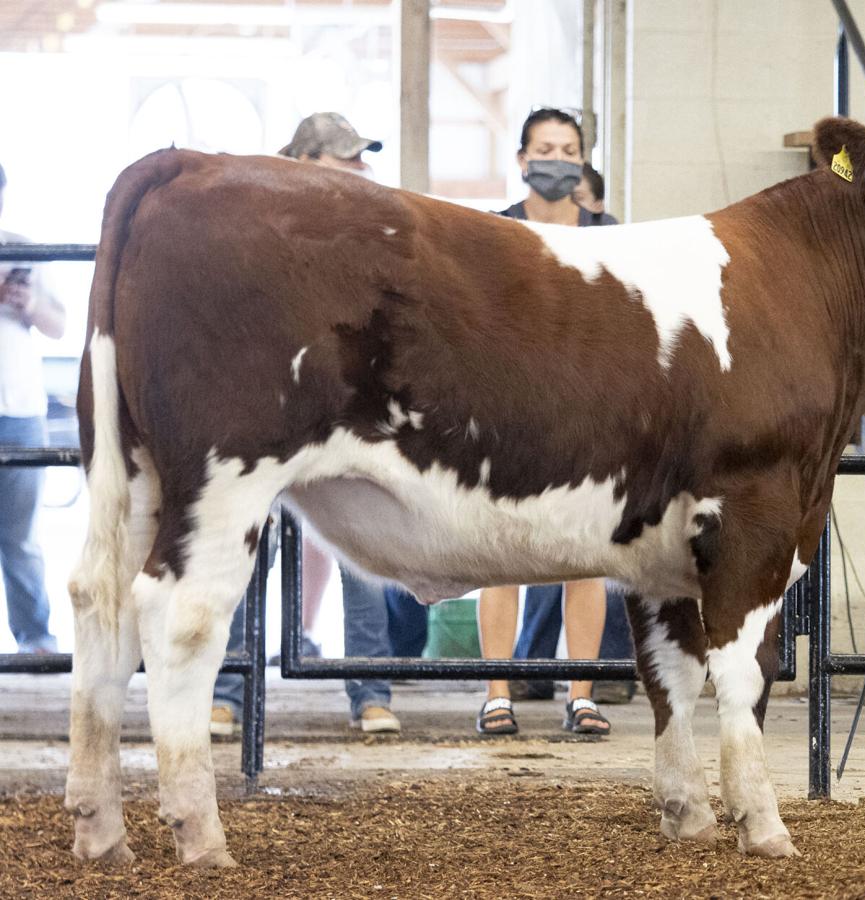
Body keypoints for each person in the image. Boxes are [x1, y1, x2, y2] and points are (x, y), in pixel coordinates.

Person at [211, 113, 426, 736]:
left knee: (360, 551)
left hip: (343, 416)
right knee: (249, 551)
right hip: (272, 416)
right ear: (304, 162)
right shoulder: (254, 231)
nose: (359, 170)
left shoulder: (363, 238)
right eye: (345, 159)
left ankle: (370, 692)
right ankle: (231, 689)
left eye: (361, 159)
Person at [476, 108, 630, 737]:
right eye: (545, 148)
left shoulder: (609, 231)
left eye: (569, 150)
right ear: (521, 159)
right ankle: (494, 693)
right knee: (500, 555)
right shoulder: (491, 234)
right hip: (508, 413)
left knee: (586, 557)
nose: (557, 160)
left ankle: (582, 693)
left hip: (589, 414)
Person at [0, 162, 66, 655]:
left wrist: (25, 305)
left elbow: (59, 325)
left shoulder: (22, 247)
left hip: (20, 408)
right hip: (19, 409)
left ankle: (36, 638)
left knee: (20, 539)